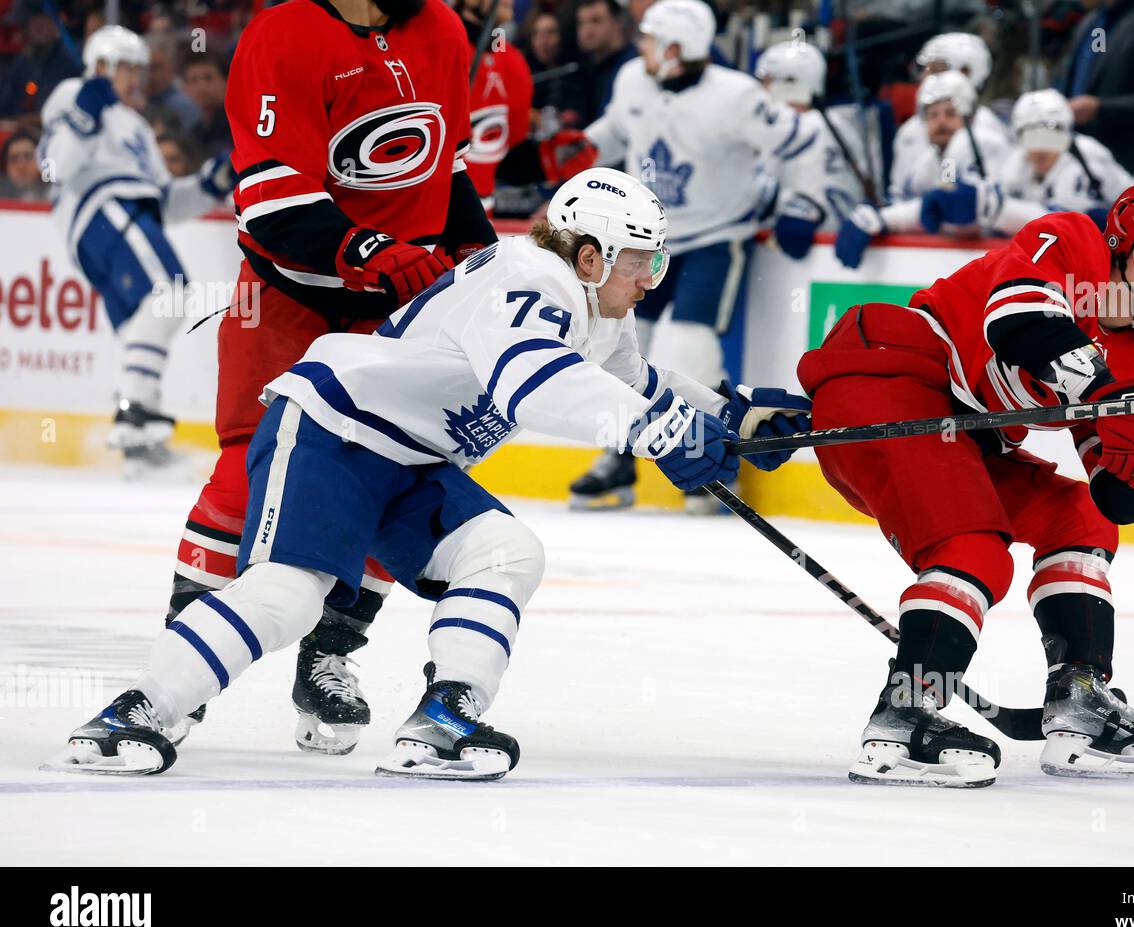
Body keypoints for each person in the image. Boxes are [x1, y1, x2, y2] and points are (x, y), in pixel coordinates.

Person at [44, 168, 812, 779]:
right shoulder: (527, 276)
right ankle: (134, 711)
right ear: (590, 256)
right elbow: (532, 380)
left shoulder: (595, 306)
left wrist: (730, 412)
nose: (652, 277)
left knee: (507, 551)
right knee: (287, 596)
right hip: (337, 429)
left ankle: (445, 718)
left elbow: (635, 381)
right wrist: (659, 434)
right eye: (643, 261)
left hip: (412, 458)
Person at [798, 181, 1134, 787]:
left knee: (1080, 519)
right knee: (974, 548)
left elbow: (1115, 489)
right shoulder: (1068, 242)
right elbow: (1020, 323)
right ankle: (904, 719)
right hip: (889, 382)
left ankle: (1079, 700)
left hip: (963, 437)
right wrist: (1104, 394)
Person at [166, 0, 498, 758]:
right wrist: (373, 248)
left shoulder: (443, 30)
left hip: (397, 306)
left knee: (397, 472)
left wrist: (486, 263)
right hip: (286, 298)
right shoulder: (284, 34)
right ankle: (182, 657)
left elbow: (443, 168)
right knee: (245, 475)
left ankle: (329, 653)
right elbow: (274, 203)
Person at [566, 0, 809, 513]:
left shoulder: (737, 95)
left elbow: (799, 140)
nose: (640, 47)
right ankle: (617, 455)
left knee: (692, 345)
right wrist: (573, 149)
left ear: (675, 50)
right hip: (645, 237)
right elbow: (614, 130)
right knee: (619, 347)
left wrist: (802, 203)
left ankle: (709, 459)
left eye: (651, 38)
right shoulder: (634, 78)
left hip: (715, 237)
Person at [37, 25, 234, 456]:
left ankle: (137, 442)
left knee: (143, 321)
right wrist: (86, 114)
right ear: (102, 65)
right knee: (170, 293)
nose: (135, 79)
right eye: (127, 68)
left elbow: (166, 202)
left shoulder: (138, 126)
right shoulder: (75, 93)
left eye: (139, 70)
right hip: (102, 210)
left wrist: (211, 182)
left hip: (124, 217)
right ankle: (134, 410)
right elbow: (54, 166)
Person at [834, 70, 1010, 268]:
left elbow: (956, 206)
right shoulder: (928, 161)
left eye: (950, 113)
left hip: (995, 263)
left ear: (968, 117)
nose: (941, 122)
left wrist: (885, 219)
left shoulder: (983, 143)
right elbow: (915, 202)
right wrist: (879, 216)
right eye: (932, 115)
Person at [755, 40, 867, 261]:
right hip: (813, 248)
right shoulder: (831, 123)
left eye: (766, 82)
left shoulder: (810, 127)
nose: (761, 91)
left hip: (814, 250)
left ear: (790, 82)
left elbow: (815, 199)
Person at [975, 88, 1131, 236]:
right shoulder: (1017, 162)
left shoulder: (1085, 157)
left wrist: (998, 209)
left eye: (1050, 134)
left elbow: (1061, 225)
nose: (1040, 148)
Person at [1054, 0, 1134, 173]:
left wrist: (1100, 108)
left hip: (1123, 162)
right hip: (1077, 156)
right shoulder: (1094, 21)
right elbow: (1083, 72)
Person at [454, 0, 534, 215]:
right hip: (435, 206)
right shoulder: (442, 49)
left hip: (483, 210)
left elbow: (515, 141)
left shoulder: (514, 60)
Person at [574, 0, 636, 124]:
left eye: (596, 21)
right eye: (581, 23)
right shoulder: (579, 69)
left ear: (617, 23)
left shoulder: (633, 67)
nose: (587, 31)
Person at [179, 51, 233, 158]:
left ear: (226, 81)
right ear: (185, 88)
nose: (201, 86)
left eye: (208, 78)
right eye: (194, 80)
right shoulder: (194, 131)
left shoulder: (236, 124)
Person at [0, 128, 48, 200]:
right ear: (5, 166)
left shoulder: (57, 194)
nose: (21, 165)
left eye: (28, 156)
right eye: (14, 158)